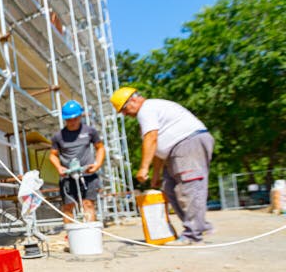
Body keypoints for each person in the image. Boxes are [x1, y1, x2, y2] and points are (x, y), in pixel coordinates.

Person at [110, 87, 214, 245]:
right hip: (175, 150)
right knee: (169, 188)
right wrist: (156, 175)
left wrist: (144, 168)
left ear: (133, 100)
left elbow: (151, 138)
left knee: (190, 187)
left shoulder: (147, 109)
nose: (125, 114)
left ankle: (193, 234)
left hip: (188, 143)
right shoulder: (149, 113)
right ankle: (199, 226)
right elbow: (157, 148)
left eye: (124, 109)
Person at [49, 100, 105, 223]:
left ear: (80, 116)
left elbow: (100, 148)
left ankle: (91, 234)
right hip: (67, 176)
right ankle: (71, 236)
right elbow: (53, 155)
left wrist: (97, 164)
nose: (72, 122)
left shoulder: (90, 131)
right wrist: (59, 167)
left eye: (75, 118)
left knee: (88, 204)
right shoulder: (58, 136)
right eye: (69, 119)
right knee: (68, 206)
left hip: (88, 174)